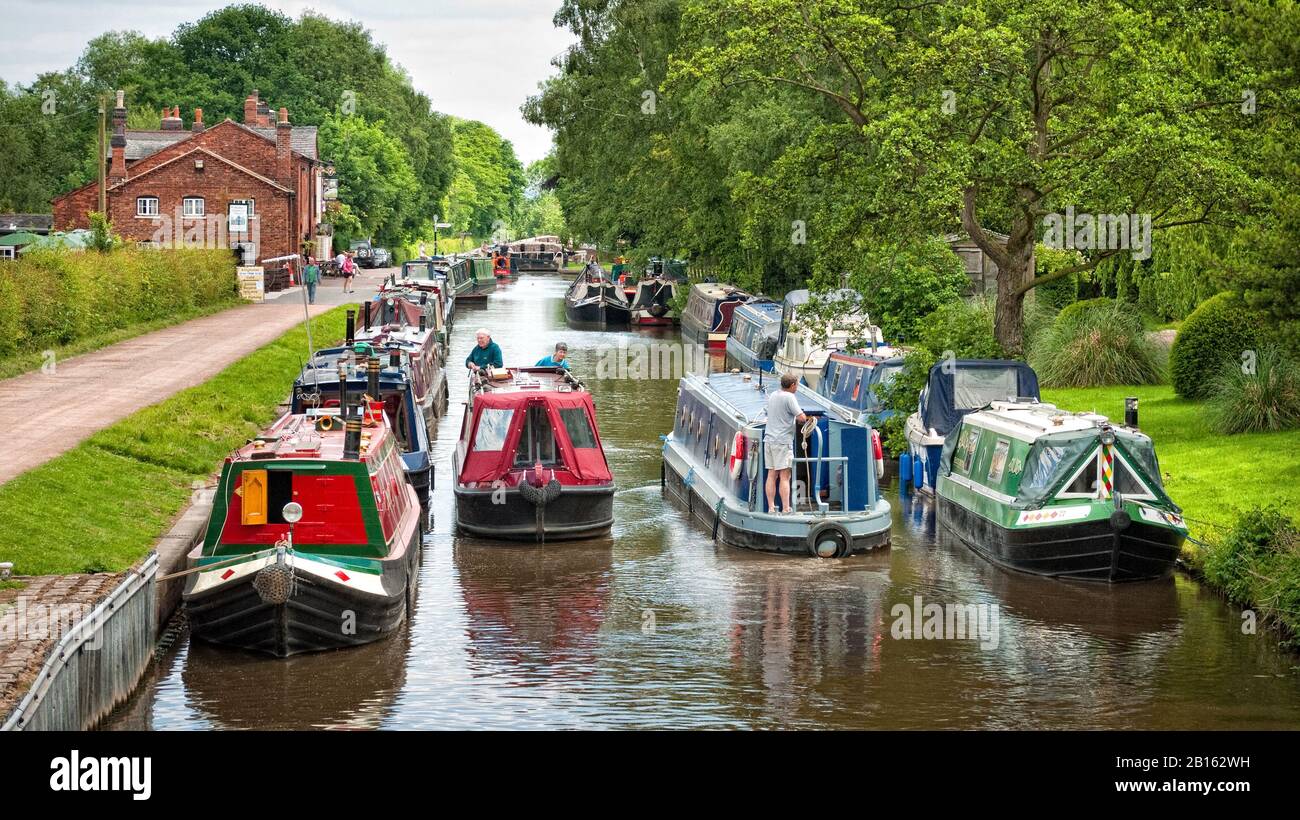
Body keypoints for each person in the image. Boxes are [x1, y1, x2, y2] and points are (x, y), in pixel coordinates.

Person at [764, 373, 808, 515]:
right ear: (793, 385)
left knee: (771, 475)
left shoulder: (773, 395)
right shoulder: (790, 397)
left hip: (769, 440)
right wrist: (807, 418)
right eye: (797, 386)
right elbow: (801, 417)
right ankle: (786, 508)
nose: (797, 388)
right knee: (784, 476)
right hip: (783, 442)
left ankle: (771, 508)